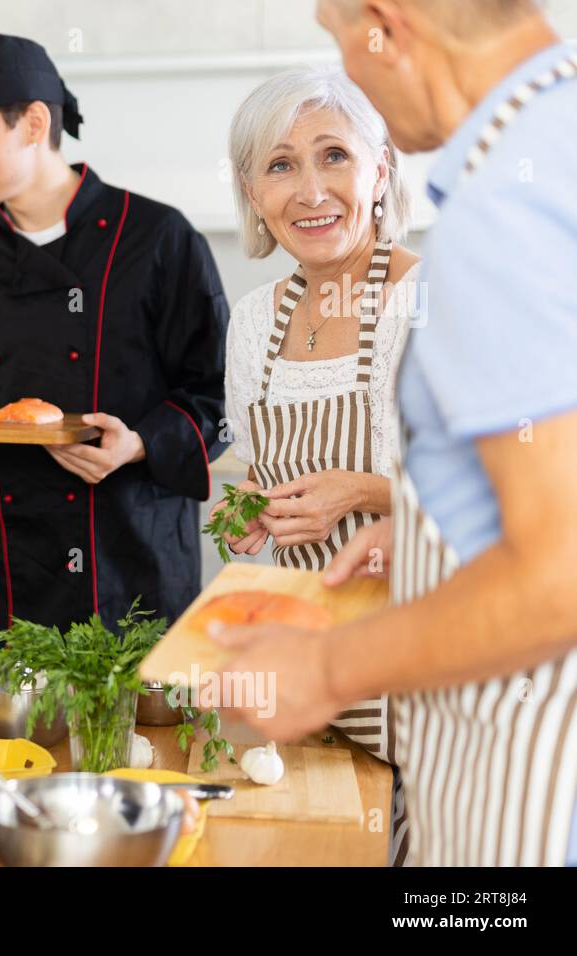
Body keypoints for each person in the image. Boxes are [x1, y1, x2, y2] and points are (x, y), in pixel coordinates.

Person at [214, 0, 577, 865]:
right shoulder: (553, 141)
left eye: (338, 38)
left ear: (385, 24)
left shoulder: (500, 215)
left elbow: (558, 568)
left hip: (509, 730)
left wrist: (327, 670)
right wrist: (411, 531)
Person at [0, 34, 229, 649]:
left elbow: (216, 395)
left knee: (140, 747)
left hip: (132, 571)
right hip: (4, 578)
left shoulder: (157, 240)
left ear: (34, 123)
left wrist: (142, 443)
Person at [217, 67, 420, 764]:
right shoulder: (252, 323)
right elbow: (261, 467)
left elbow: (519, 500)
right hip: (310, 678)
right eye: (281, 165)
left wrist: (364, 493)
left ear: (380, 172)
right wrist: (251, 504)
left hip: (432, 677)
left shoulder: (427, 302)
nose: (310, 191)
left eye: (334, 155)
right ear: (254, 194)